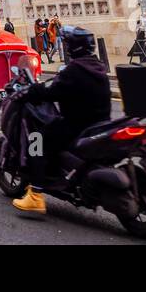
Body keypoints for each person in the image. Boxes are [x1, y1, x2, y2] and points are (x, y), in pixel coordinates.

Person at [11, 27, 112, 217]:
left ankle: (35, 195)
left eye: (68, 45)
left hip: (76, 127)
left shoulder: (74, 70)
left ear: (73, 48)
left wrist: (30, 92)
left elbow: (51, 90)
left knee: (36, 139)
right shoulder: (98, 66)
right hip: (100, 124)